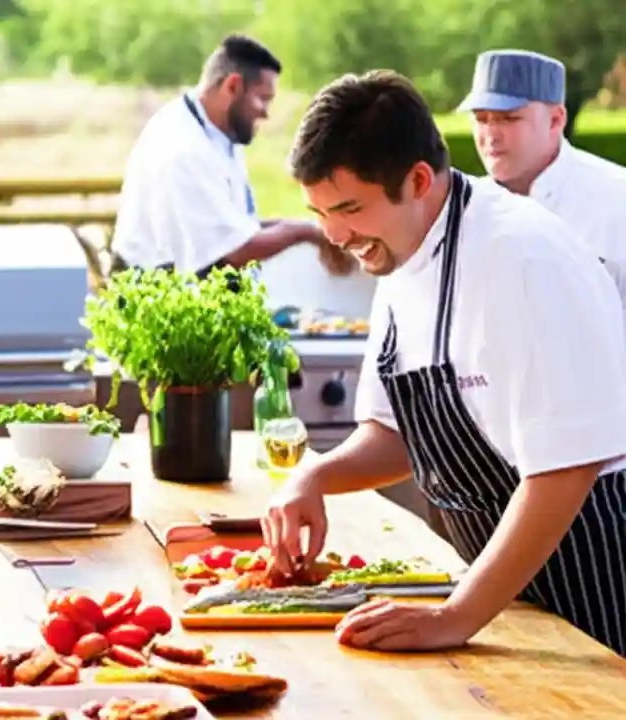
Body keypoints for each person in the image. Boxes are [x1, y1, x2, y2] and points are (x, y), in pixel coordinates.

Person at [263, 70, 626, 656]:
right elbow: (397, 435)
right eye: (319, 211)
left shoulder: (524, 258)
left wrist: (455, 616)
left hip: (591, 583)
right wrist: (315, 477)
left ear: (419, 179)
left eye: (350, 207)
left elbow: (565, 471)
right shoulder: (398, 252)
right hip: (500, 594)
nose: (334, 234)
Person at [110, 33, 352, 278]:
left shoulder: (217, 134)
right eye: (263, 99)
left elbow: (237, 227)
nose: (266, 113)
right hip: (149, 292)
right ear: (233, 86)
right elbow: (235, 250)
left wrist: (309, 229)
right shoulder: (183, 147)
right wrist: (306, 233)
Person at [459, 48, 626, 299]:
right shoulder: (463, 209)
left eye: (509, 118)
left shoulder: (616, 200)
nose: (491, 135)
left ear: (556, 120)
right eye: (481, 119)